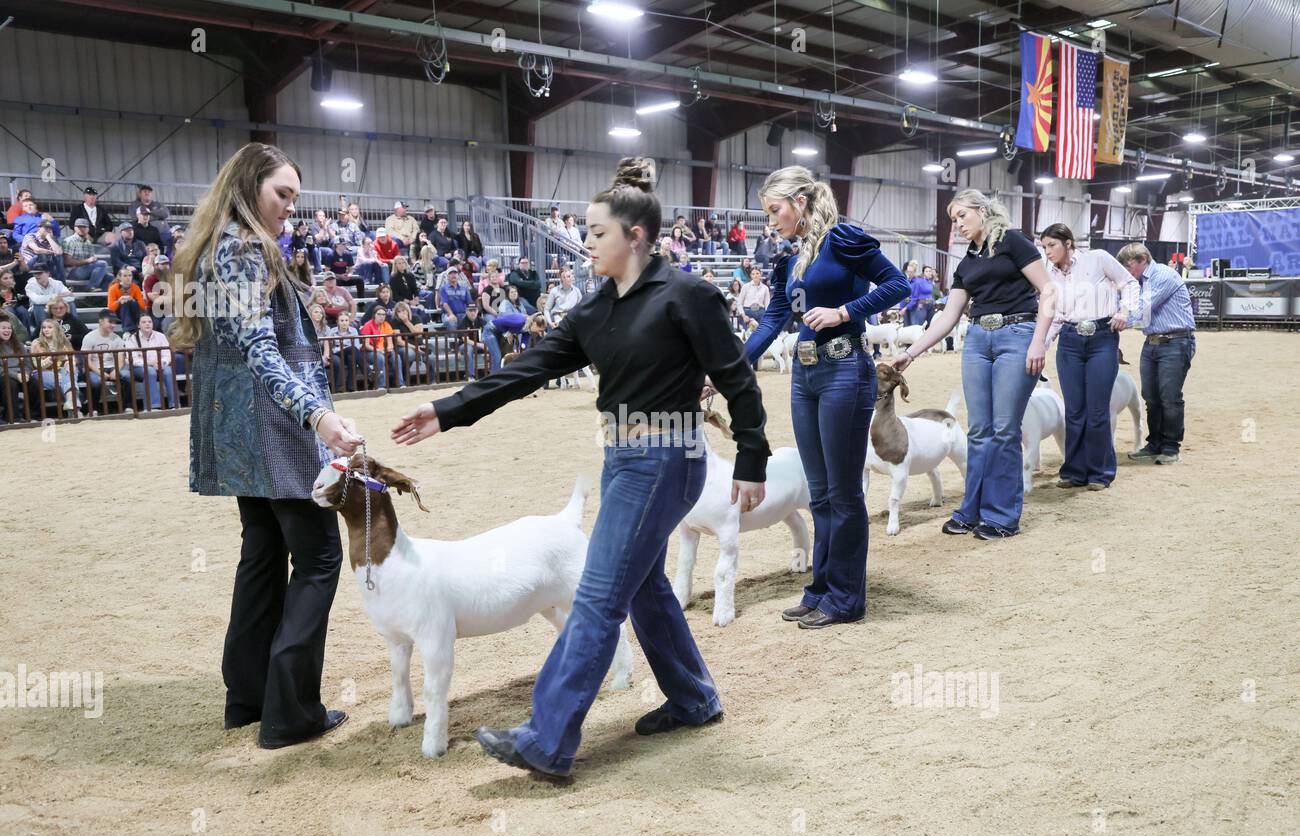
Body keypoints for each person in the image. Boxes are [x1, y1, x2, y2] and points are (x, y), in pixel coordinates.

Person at [392, 156, 772, 779]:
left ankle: (547, 738)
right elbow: (528, 369)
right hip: (621, 460)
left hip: (670, 460)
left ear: (637, 237)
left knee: (596, 595)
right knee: (642, 585)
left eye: (598, 233)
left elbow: (737, 380)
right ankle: (694, 698)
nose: (586, 241)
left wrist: (751, 458)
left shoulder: (688, 296)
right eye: (587, 232)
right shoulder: (594, 311)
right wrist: (446, 410)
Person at [169, 142, 363, 749]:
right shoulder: (250, 249)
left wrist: (307, 300)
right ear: (251, 185)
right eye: (282, 195)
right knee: (319, 559)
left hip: (234, 433)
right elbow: (260, 349)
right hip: (276, 429)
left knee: (260, 556)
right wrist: (319, 417)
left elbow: (238, 339)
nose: (289, 209)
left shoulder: (210, 248)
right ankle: (290, 711)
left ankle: (247, 699)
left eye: (294, 199)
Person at [736, 165, 909, 628]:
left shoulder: (844, 240)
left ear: (800, 202)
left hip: (845, 370)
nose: (771, 221)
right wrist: (731, 368)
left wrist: (843, 311)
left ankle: (847, 597)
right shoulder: (790, 259)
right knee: (820, 493)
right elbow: (775, 319)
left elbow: (897, 284)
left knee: (843, 490)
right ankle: (821, 589)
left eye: (774, 210)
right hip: (805, 377)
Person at [891, 188, 1057, 539]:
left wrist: (1038, 341)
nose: (958, 225)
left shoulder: (1015, 242)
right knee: (979, 431)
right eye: (953, 220)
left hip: (1018, 335)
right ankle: (972, 509)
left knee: (1004, 430)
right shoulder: (966, 263)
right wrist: (912, 351)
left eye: (962, 216)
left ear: (982, 210)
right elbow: (949, 316)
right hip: (978, 340)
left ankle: (1002, 516)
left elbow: (1049, 291)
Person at [1040, 224, 1141, 489]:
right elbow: (1054, 316)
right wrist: (1042, 344)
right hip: (1069, 341)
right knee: (1074, 411)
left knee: (1097, 410)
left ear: (1068, 243)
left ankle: (1100, 472)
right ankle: (1074, 471)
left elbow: (1129, 283)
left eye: (1052, 245)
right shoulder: (1049, 275)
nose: (1047, 251)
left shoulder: (1098, 259)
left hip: (1102, 337)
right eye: (1044, 247)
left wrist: (1124, 311)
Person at [1117, 242, 1197, 465]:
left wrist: (1116, 320)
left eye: (1129, 265)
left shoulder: (1163, 275)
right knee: (1151, 396)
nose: (1126, 271)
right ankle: (1154, 444)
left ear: (1143, 259)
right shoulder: (1136, 282)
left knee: (1169, 397)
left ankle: (1171, 447)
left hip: (1176, 341)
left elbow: (1141, 309)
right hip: (1152, 343)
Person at [81, 308, 132, 411]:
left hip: (112, 367)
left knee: (127, 376)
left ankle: (127, 407)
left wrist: (116, 370)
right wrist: (99, 372)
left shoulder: (117, 338)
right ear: (100, 321)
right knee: (96, 381)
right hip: (94, 368)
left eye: (114, 322)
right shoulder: (89, 337)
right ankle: (93, 409)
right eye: (110, 322)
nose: (113, 325)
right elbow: (87, 360)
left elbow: (120, 358)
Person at [62, 219, 111, 291]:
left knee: (110, 277)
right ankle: (91, 287)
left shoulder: (88, 242)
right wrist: (87, 261)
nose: (82, 229)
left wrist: (92, 260)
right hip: (72, 272)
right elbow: (67, 262)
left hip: (86, 270)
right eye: (79, 227)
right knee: (102, 264)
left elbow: (92, 260)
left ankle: (96, 300)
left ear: (88, 229)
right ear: (75, 228)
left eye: (84, 227)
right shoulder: (69, 241)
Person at [107, 266, 147, 333]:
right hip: (118, 313)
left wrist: (132, 299)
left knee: (131, 302)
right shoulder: (113, 288)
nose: (128, 278)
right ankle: (129, 329)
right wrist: (119, 301)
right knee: (124, 303)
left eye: (130, 275)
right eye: (125, 276)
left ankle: (133, 328)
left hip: (134, 312)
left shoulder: (136, 287)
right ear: (120, 277)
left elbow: (142, 306)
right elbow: (111, 308)